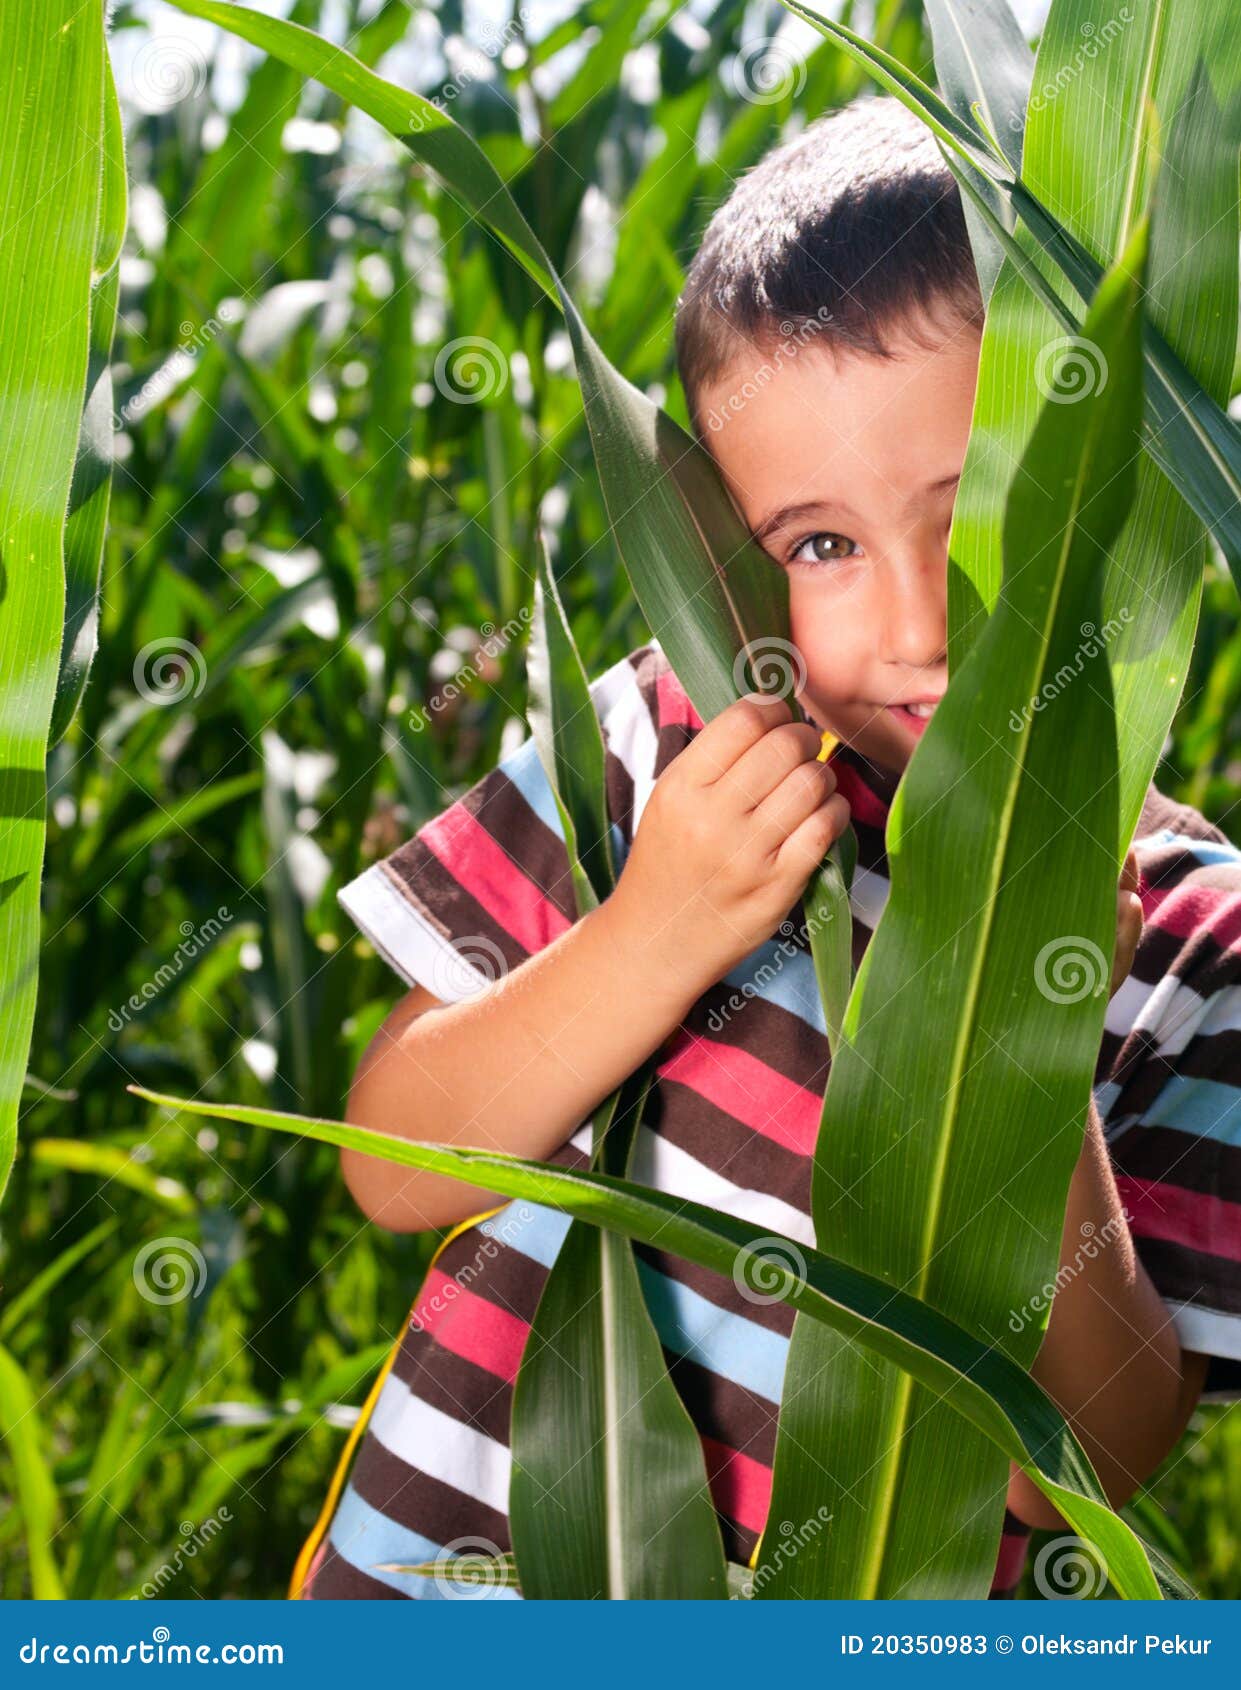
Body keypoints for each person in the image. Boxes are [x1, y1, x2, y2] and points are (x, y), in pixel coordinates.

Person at [295, 96, 1241, 1600]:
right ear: (723, 546)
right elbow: (397, 1162)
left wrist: (1025, 1065)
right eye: (818, 545)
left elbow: (1081, 1467)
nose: (918, 627)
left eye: (978, 513)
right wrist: (653, 928)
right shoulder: (672, 747)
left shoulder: (1192, 933)